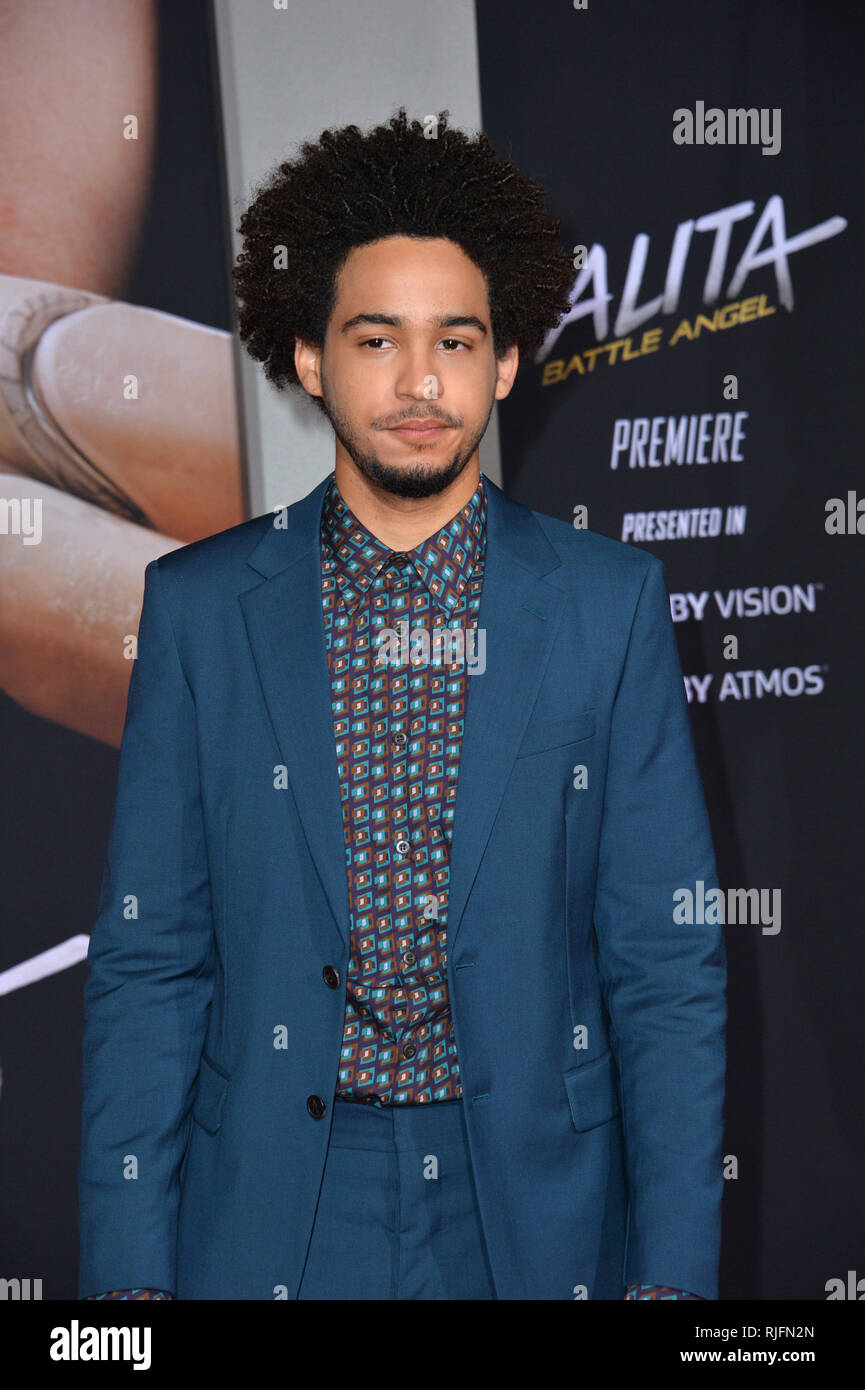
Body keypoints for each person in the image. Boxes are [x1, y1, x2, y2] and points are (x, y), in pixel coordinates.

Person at [78, 108, 726, 1301]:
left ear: (507, 363)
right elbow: (150, 962)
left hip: (532, 1207)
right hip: (276, 1203)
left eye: (457, 341)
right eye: (377, 340)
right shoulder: (201, 610)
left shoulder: (609, 604)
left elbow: (663, 961)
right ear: (310, 359)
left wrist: (675, 1279)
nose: (421, 381)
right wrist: (123, 1285)